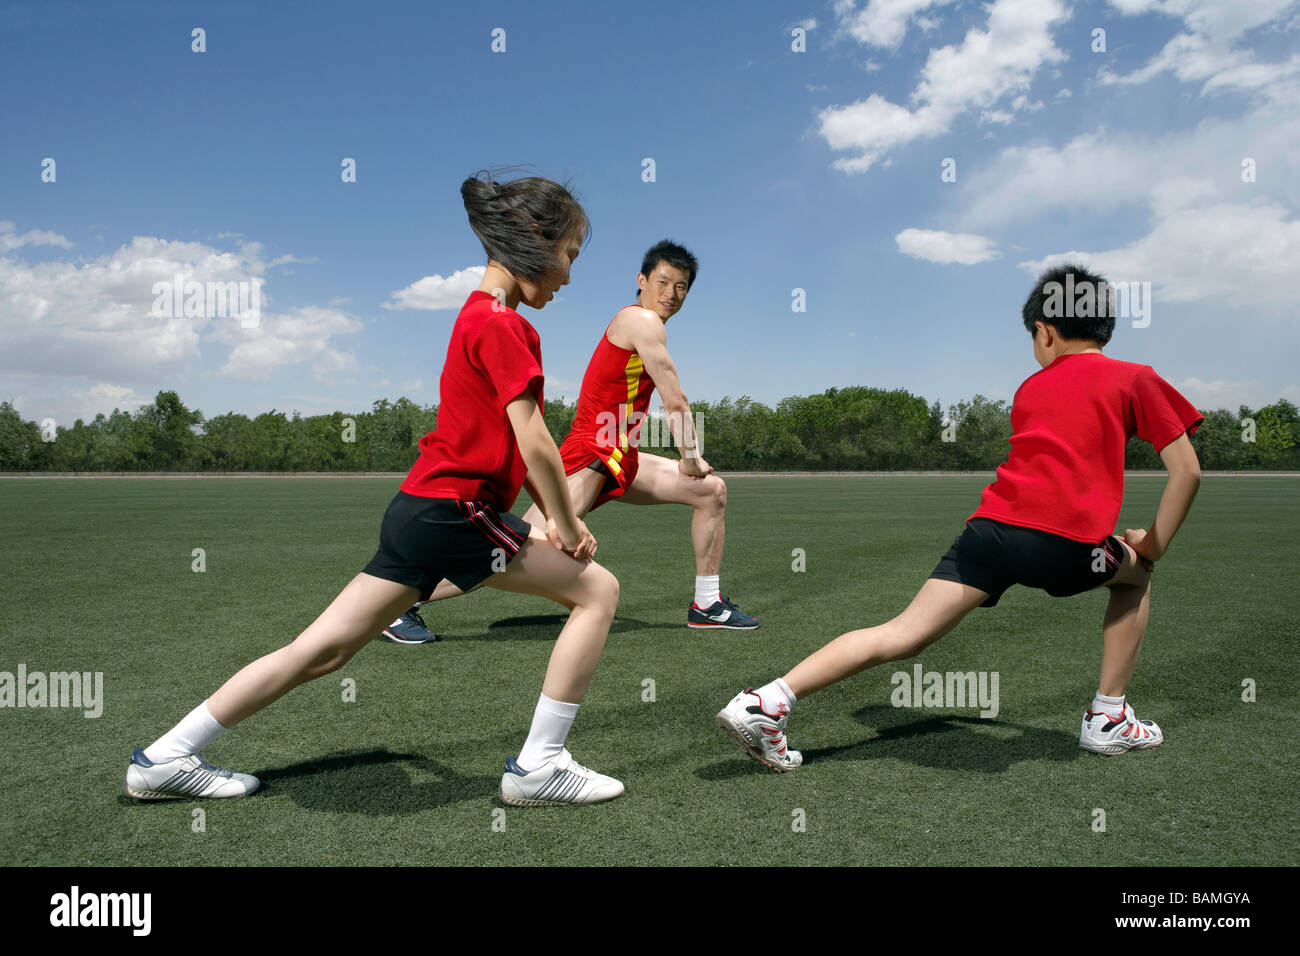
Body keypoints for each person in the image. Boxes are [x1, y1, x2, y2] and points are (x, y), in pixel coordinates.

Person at [125, 171, 625, 806]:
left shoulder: (477, 317)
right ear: (534, 237)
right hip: (456, 513)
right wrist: (569, 524)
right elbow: (534, 441)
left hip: (420, 511)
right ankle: (541, 768)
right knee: (598, 591)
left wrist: (552, 518)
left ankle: (164, 758)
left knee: (322, 651)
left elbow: (511, 442)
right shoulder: (505, 326)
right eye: (569, 256)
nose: (568, 277)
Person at [716, 264, 1203, 769]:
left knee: (900, 632)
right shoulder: (1135, 377)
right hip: (1065, 544)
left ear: (1045, 331)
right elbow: (1186, 472)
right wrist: (1152, 546)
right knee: (1136, 576)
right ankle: (1108, 717)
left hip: (989, 532)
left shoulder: (1031, 388)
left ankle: (767, 701)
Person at [384, 240, 756, 642]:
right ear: (642, 280)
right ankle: (401, 606)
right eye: (663, 282)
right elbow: (675, 399)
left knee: (710, 493)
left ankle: (706, 604)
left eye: (682, 287)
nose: (671, 294)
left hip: (620, 454)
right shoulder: (640, 321)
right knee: (504, 551)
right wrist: (691, 459)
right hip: (593, 452)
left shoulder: (650, 326)